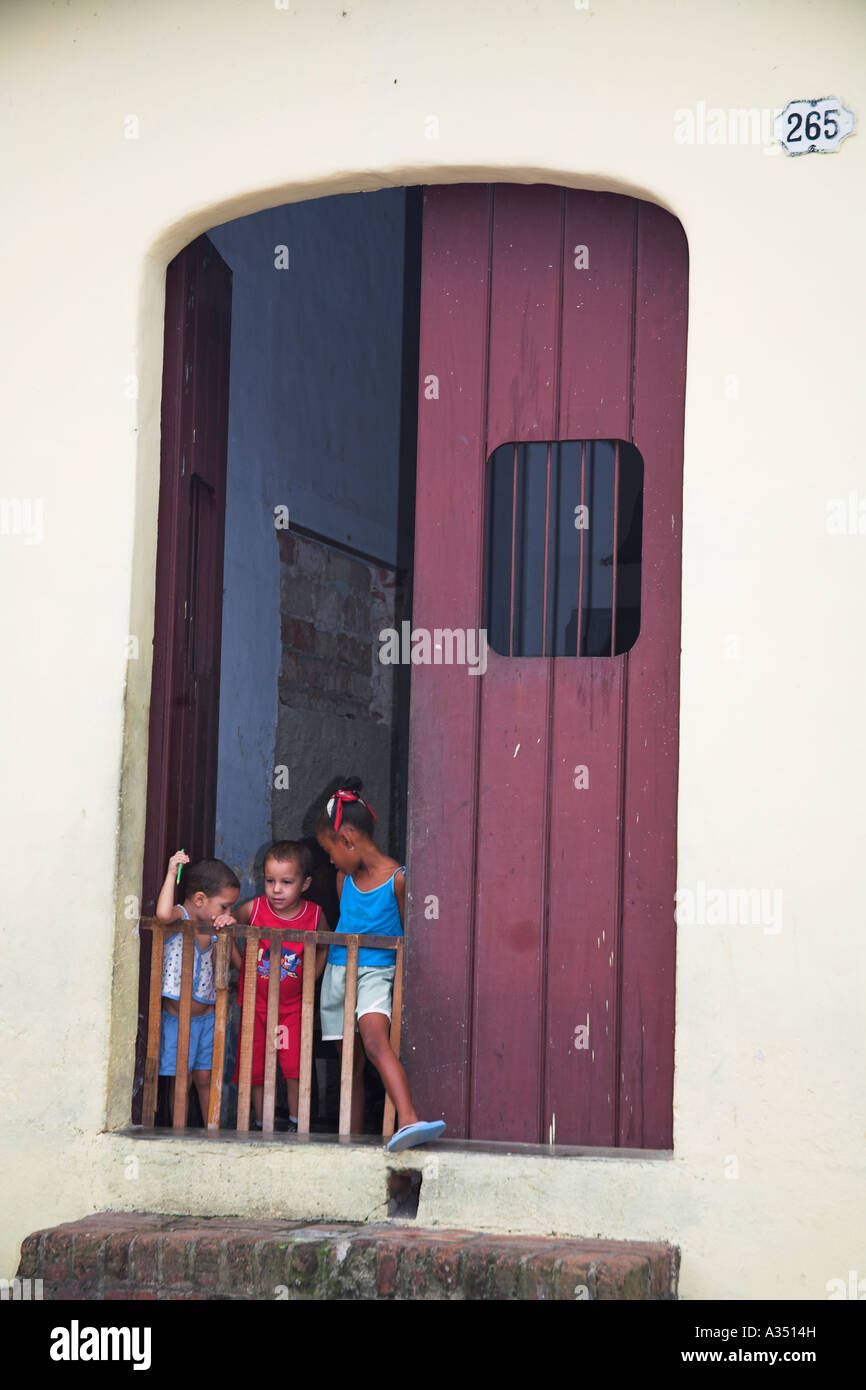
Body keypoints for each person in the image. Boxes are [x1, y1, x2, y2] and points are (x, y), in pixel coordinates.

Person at [316, 778, 446, 1153]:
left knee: (375, 1042)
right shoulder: (344, 880)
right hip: (339, 976)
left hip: (376, 974)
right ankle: (351, 1144)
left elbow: (409, 938)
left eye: (330, 850)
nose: (329, 860)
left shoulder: (399, 880)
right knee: (348, 1069)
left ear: (348, 838)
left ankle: (407, 1118)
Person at [230, 841, 329, 1130]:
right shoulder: (255, 908)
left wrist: (312, 976)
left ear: (305, 883)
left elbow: (326, 946)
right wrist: (242, 967)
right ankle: (263, 1122)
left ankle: (298, 1124)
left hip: (293, 1010)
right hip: (255, 1008)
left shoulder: (313, 915)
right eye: (270, 881)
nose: (276, 889)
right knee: (257, 1068)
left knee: (294, 1068)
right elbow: (227, 927)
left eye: (286, 882)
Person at [155, 851, 240, 1125]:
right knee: (183, 1080)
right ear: (200, 899)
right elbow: (162, 913)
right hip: (177, 1021)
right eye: (225, 907)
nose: (228, 913)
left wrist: (227, 932)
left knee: (205, 1079)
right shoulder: (181, 917)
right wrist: (171, 873)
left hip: (206, 1018)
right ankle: (179, 1134)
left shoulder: (213, 929)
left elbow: (236, 964)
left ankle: (211, 1132)